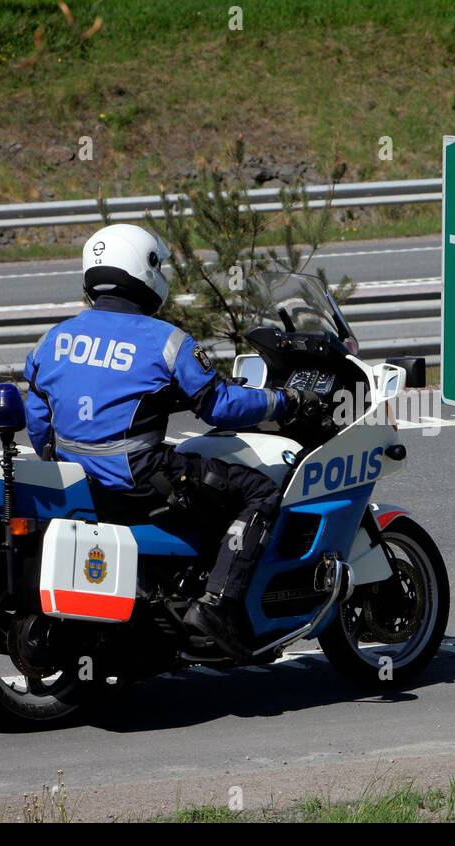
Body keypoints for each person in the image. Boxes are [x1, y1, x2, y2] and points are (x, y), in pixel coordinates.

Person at [23, 223, 317, 660]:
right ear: (147, 270)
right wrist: (283, 400)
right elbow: (219, 407)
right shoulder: (166, 341)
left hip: (77, 483)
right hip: (143, 478)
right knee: (261, 490)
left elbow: (38, 418)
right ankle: (217, 606)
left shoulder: (54, 338)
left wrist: (62, 456)